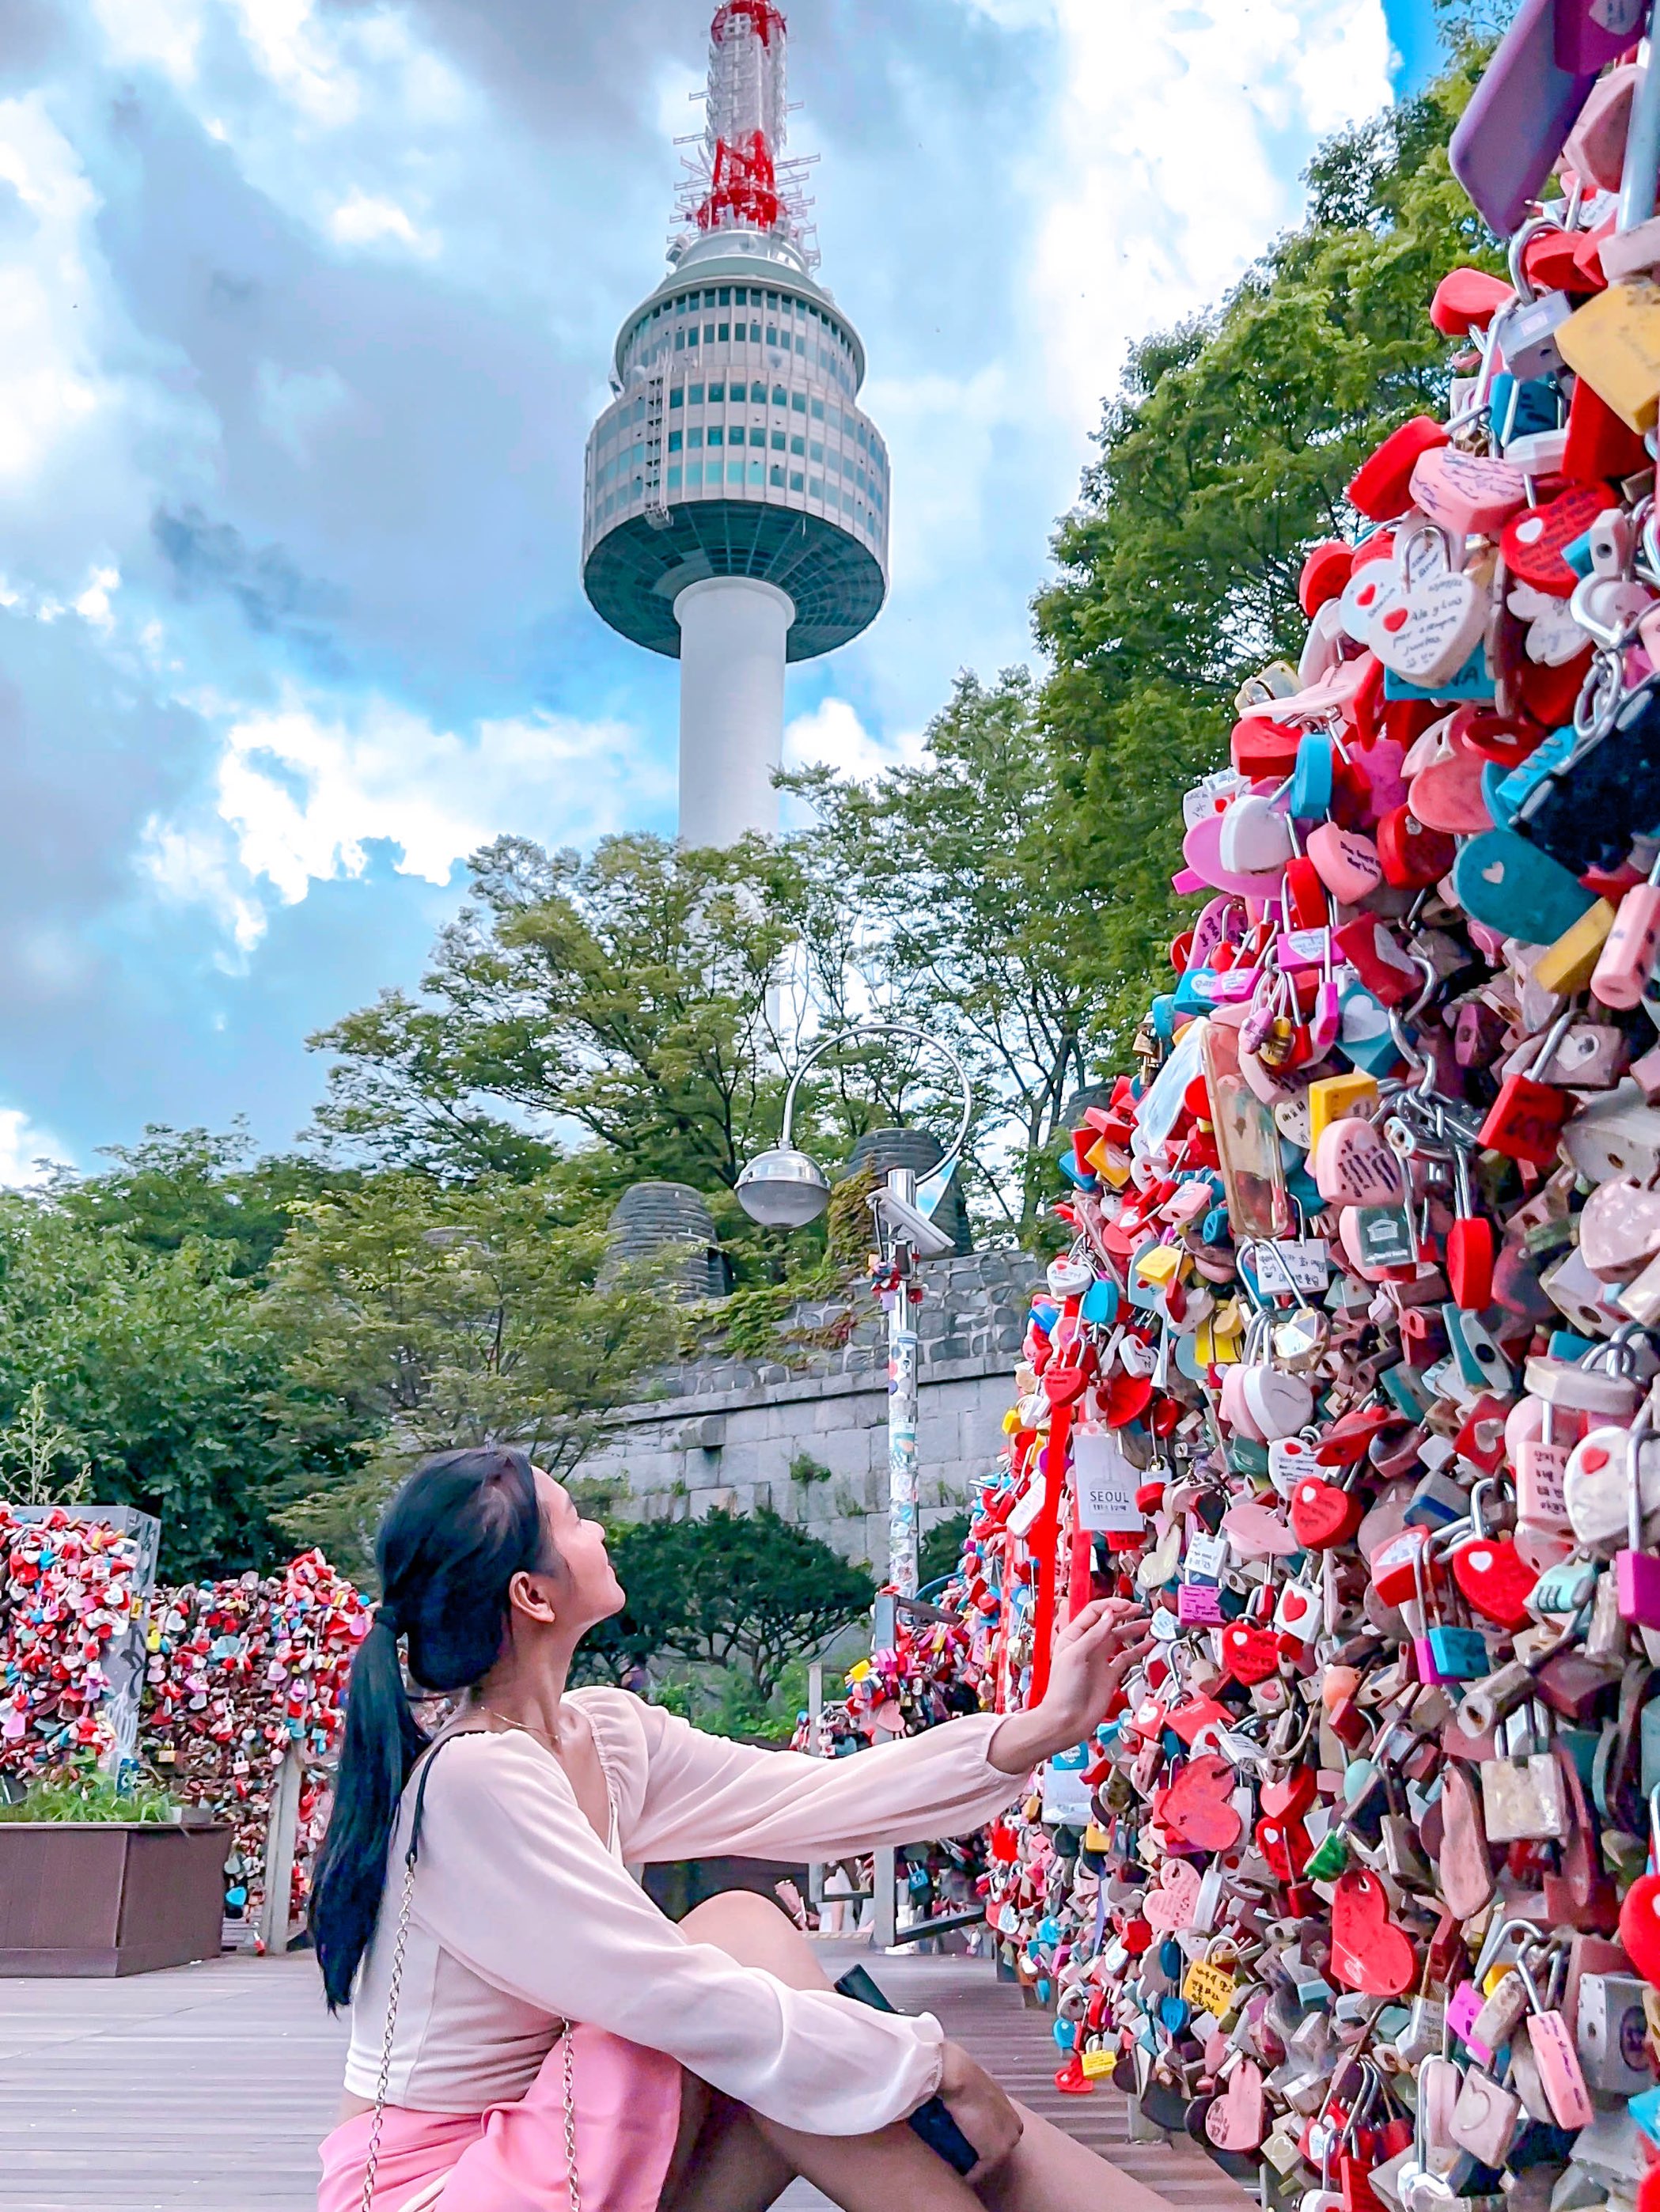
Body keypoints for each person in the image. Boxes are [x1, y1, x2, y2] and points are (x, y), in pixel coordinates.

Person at [311, 1446, 1154, 2212]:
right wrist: (926, 2061)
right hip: (442, 2188)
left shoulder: (601, 1735)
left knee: (785, 2039)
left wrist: (1033, 1732)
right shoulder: (474, 1779)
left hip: (554, 2150)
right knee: (745, 1960)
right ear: (531, 1596)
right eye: (572, 1520)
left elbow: (815, 1800)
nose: (599, 1526)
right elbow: (668, 1995)